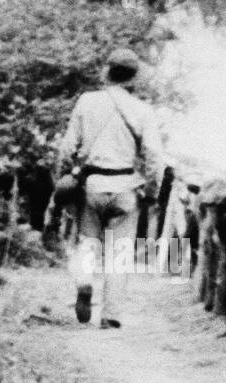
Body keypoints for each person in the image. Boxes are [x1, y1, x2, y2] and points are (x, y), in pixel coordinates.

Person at [57, 48, 165, 328]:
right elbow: (155, 158)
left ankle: (83, 284)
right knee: (119, 253)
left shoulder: (86, 101)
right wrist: (151, 192)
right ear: (134, 78)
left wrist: (64, 179)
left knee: (87, 243)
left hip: (92, 185)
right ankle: (111, 315)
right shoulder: (143, 110)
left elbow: (67, 148)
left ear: (106, 71)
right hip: (126, 188)